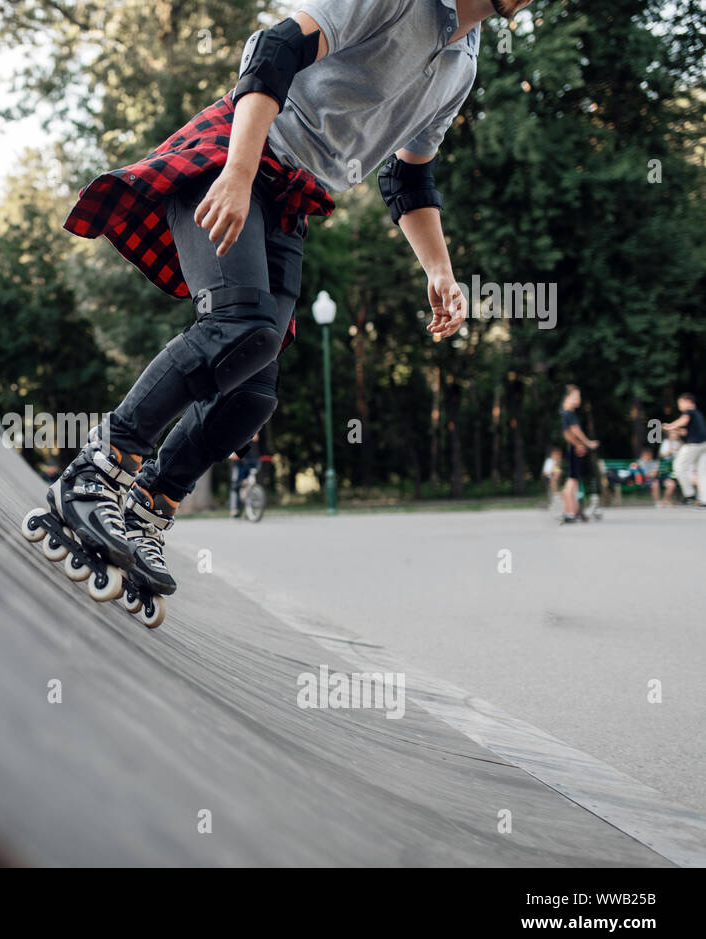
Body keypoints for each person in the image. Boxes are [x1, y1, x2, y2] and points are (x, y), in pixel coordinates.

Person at [52, 0, 523, 596]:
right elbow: (275, 47)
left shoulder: (464, 65)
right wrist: (240, 171)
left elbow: (407, 176)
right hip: (235, 151)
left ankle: (149, 503)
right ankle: (96, 471)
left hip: (292, 202)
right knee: (240, 326)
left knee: (251, 392)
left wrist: (440, 270)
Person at [559, 385, 599, 523]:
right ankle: (570, 513)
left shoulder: (564, 412)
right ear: (567, 397)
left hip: (571, 449)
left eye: (579, 396)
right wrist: (586, 443)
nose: (578, 399)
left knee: (572, 480)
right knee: (573, 481)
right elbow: (573, 430)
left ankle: (570, 512)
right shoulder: (569, 413)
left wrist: (577, 444)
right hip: (573, 450)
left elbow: (566, 434)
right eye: (576, 396)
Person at [663, 393, 706, 507]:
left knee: (679, 466)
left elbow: (684, 420)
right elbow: (686, 431)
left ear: (688, 401)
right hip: (704, 446)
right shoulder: (698, 414)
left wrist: (670, 426)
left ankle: (689, 495)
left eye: (680, 403)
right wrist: (677, 431)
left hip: (693, 445)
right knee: (702, 473)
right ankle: (704, 500)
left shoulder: (689, 412)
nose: (679, 406)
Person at [229, 433, 261, 517]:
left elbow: (255, 437)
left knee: (250, 482)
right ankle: (234, 509)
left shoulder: (251, 445)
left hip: (250, 461)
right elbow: (232, 455)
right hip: (239, 464)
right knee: (235, 486)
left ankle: (248, 508)